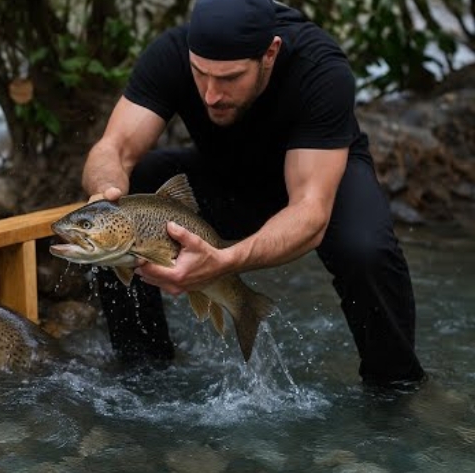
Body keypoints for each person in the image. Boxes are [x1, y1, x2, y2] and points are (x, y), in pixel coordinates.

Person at [81, 0, 425, 386]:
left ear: (270, 53)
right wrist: (104, 194)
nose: (211, 94)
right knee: (121, 207)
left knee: (366, 250)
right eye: (200, 73)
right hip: (225, 175)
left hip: (318, 181)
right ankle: (143, 371)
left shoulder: (320, 69)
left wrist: (224, 261)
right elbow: (114, 148)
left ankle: (396, 389)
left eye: (229, 79)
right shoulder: (171, 52)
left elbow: (310, 212)